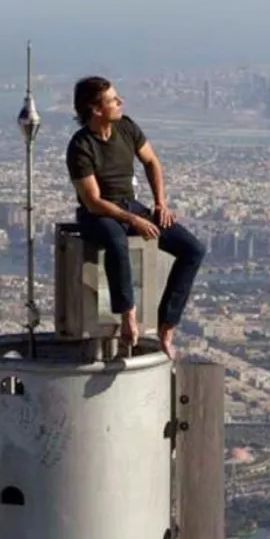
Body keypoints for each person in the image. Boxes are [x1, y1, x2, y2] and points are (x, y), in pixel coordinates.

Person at [65, 76, 207, 358]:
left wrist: (159, 204)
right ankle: (127, 314)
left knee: (192, 249)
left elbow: (152, 161)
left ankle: (168, 323)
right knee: (116, 241)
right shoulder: (81, 146)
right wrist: (133, 220)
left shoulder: (126, 127)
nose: (120, 103)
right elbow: (93, 201)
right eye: (113, 100)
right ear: (95, 109)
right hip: (98, 214)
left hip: (130, 205)